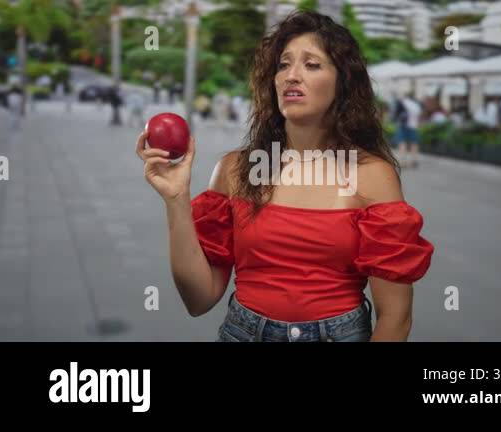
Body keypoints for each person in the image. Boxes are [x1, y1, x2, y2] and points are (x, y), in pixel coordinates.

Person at [135, 10, 434, 342]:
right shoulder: (235, 170)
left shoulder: (374, 176)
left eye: (312, 64)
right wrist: (176, 200)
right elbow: (198, 299)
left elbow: (395, 320)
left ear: (342, 82)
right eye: (283, 64)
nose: (292, 75)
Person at [393, 92, 422, 169]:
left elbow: (396, 114)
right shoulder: (416, 105)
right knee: (414, 143)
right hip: (414, 126)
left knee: (402, 143)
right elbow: (419, 116)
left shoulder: (402, 102)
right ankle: (414, 160)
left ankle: (403, 161)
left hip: (403, 125)